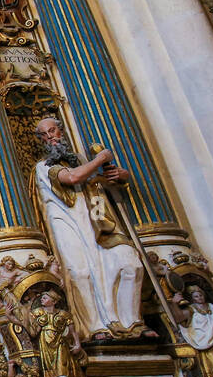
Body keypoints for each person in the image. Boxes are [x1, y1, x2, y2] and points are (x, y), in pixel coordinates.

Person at [33, 117, 148, 341]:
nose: (50, 137)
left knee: (130, 263)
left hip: (99, 225)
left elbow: (94, 183)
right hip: (68, 226)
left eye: (53, 131)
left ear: (61, 131)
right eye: (44, 135)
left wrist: (119, 177)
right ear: (39, 140)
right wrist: (102, 158)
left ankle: (131, 322)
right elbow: (74, 177)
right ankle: (95, 327)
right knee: (80, 273)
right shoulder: (43, 167)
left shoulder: (82, 162)